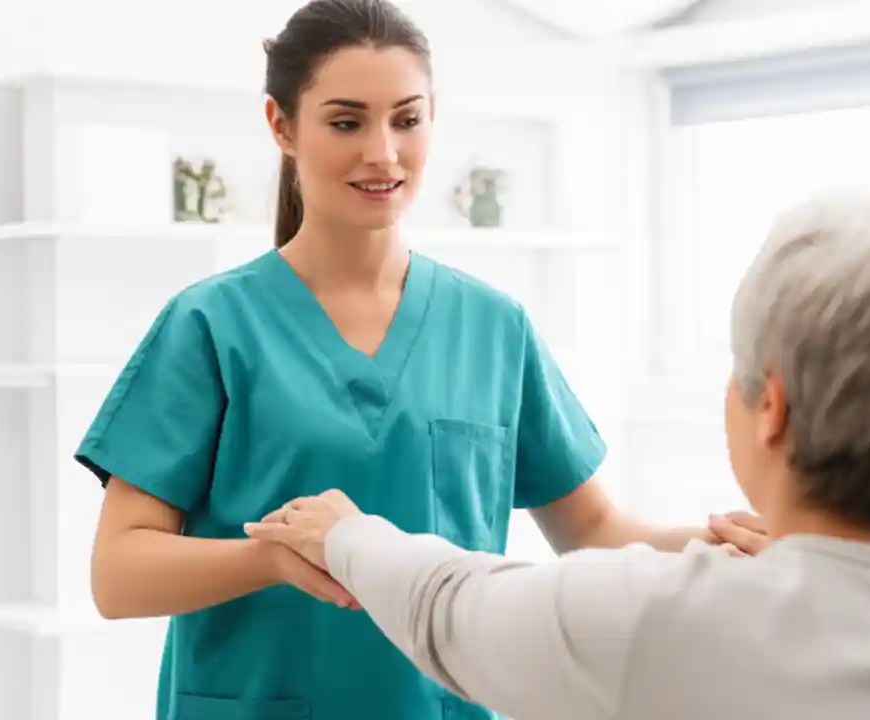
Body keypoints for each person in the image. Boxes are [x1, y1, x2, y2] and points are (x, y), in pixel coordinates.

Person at [74, 1, 762, 719]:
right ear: (282, 125)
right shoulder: (211, 325)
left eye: (407, 119)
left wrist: (715, 549)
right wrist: (273, 557)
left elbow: (591, 530)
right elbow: (118, 575)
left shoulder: (493, 327)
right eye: (347, 123)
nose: (383, 153)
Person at [246, 193, 870, 720]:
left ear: (772, 409)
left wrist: (345, 534)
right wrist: (835, 544)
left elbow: (448, 606)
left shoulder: (656, 623)